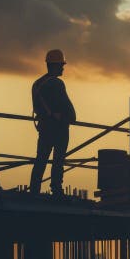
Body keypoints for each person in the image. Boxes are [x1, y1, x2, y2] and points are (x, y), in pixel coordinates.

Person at [29, 49, 76, 195]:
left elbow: (37, 108)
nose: (63, 67)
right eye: (61, 65)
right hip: (59, 128)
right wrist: (69, 117)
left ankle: (34, 189)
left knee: (41, 159)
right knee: (58, 161)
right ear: (55, 65)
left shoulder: (37, 84)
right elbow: (70, 111)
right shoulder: (56, 84)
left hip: (44, 128)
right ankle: (56, 189)